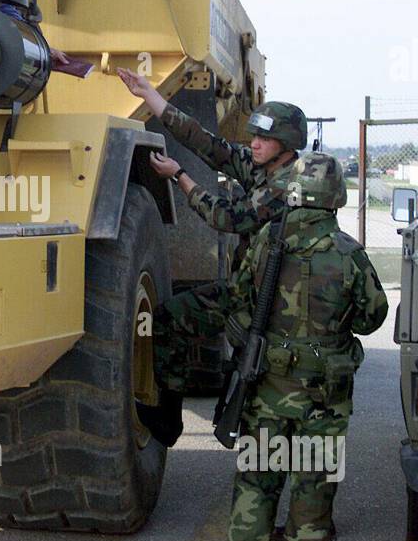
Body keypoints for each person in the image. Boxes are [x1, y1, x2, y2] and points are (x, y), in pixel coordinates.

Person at [218, 151, 387, 541]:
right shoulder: (349, 254)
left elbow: (236, 300)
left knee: (257, 480)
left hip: (266, 389)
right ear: (335, 198)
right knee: (313, 489)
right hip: (323, 398)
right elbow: (373, 318)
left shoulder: (265, 242)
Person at [116, 66, 307, 445]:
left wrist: (179, 176)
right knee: (172, 320)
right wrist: (150, 96)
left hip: (272, 299)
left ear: (284, 146)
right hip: (250, 286)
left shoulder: (288, 185)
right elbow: (206, 143)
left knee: (245, 379)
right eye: (253, 136)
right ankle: (168, 417)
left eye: (263, 138)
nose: (253, 142)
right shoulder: (262, 167)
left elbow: (227, 218)